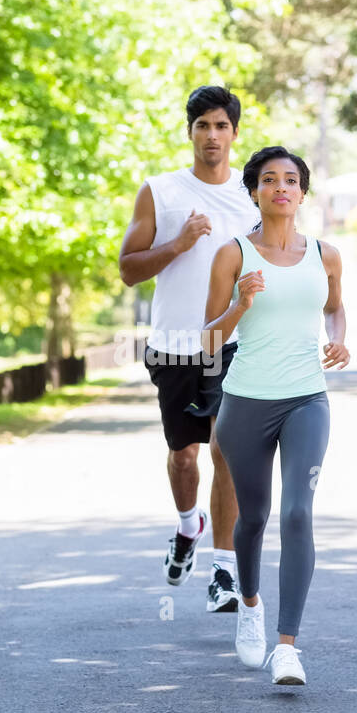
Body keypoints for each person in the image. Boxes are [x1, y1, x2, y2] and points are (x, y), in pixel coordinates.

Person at [203, 146, 349, 686]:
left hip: (307, 399)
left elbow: (334, 306)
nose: (281, 188)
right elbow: (208, 339)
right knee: (254, 518)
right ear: (255, 192)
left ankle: (287, 646)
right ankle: (249, 602)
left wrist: (339, 339)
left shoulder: (326, 255)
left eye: (291, 180)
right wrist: (240, 304)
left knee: (297, 514)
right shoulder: (232, 254)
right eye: (269, 180)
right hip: (244, 404)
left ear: (303, 193)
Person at [119, 86, 260, 613]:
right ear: (190, 132)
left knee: (225, 448)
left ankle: (224, 572)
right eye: (203, 125)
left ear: (235, 134)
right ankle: (187, 525)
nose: (212, 135)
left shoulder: (253, 197)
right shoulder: (161, 191)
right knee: (185, 456)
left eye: (222, 126)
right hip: (175, 345)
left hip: (234, 341)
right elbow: (129, 269)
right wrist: (178, 243)